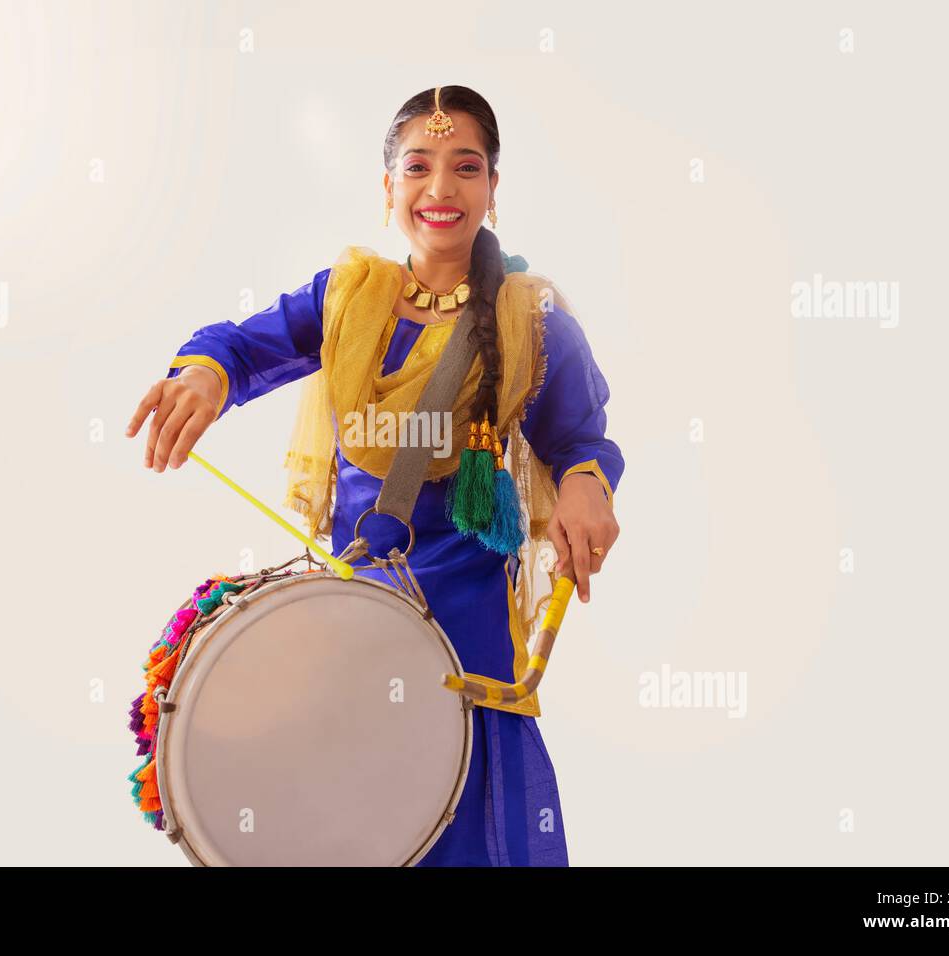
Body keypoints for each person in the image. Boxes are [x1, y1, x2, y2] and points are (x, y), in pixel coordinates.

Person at [126, 86, 623, 866]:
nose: (441, 188)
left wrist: (588, 482)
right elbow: (244, 346)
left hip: (466, 637)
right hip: (354, 623)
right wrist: (204, 378)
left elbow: (579, 437)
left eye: (466, 166)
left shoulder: (537, 317)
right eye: (417, 166)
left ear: (494, 188)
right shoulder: (348, 297)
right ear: (387, 187)